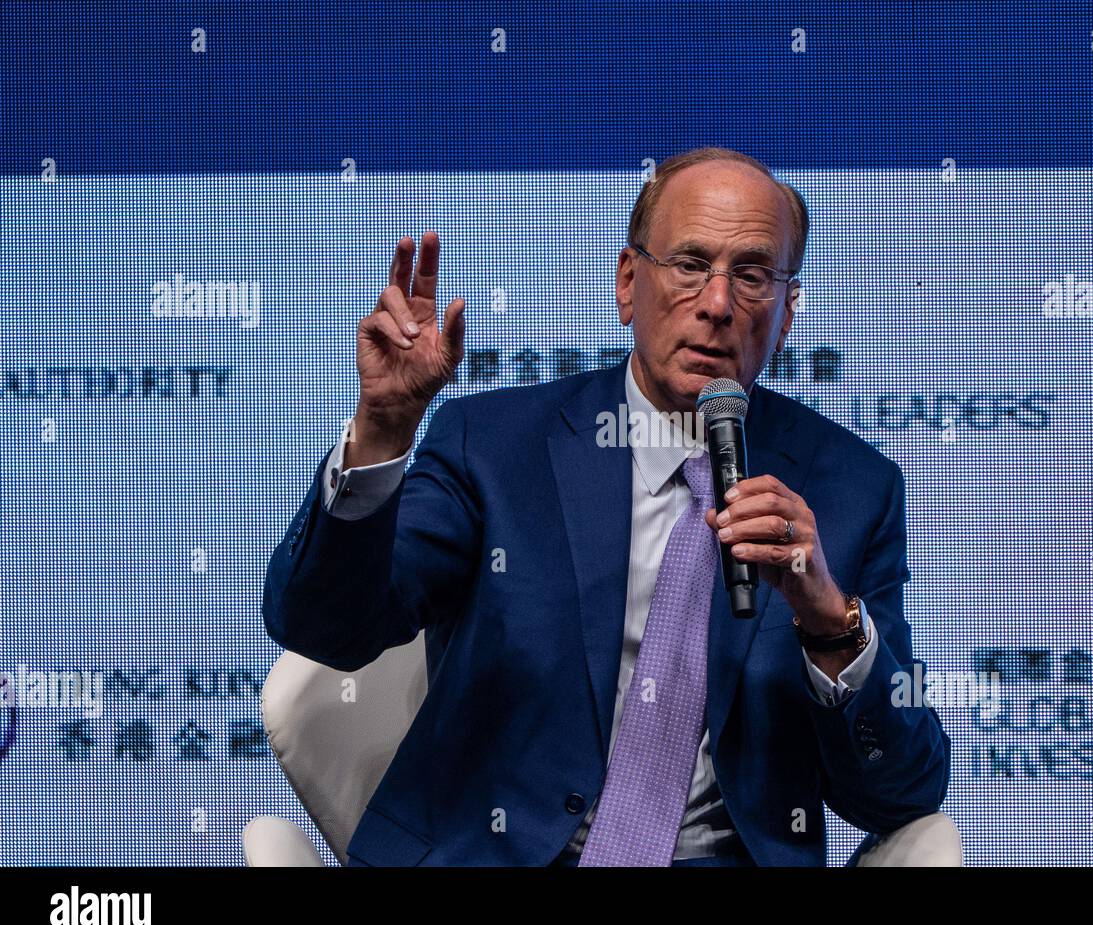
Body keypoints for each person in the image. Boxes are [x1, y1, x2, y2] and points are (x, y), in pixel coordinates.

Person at [261, 146, 950, 866]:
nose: (717, 305)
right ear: (628, 284)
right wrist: (381, 431)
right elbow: (326, 628)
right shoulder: (495, 448)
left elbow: (902, 793)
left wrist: (828, 623)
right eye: (689, 265)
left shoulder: (852, 490)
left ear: (783, 315)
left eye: (751, 276)